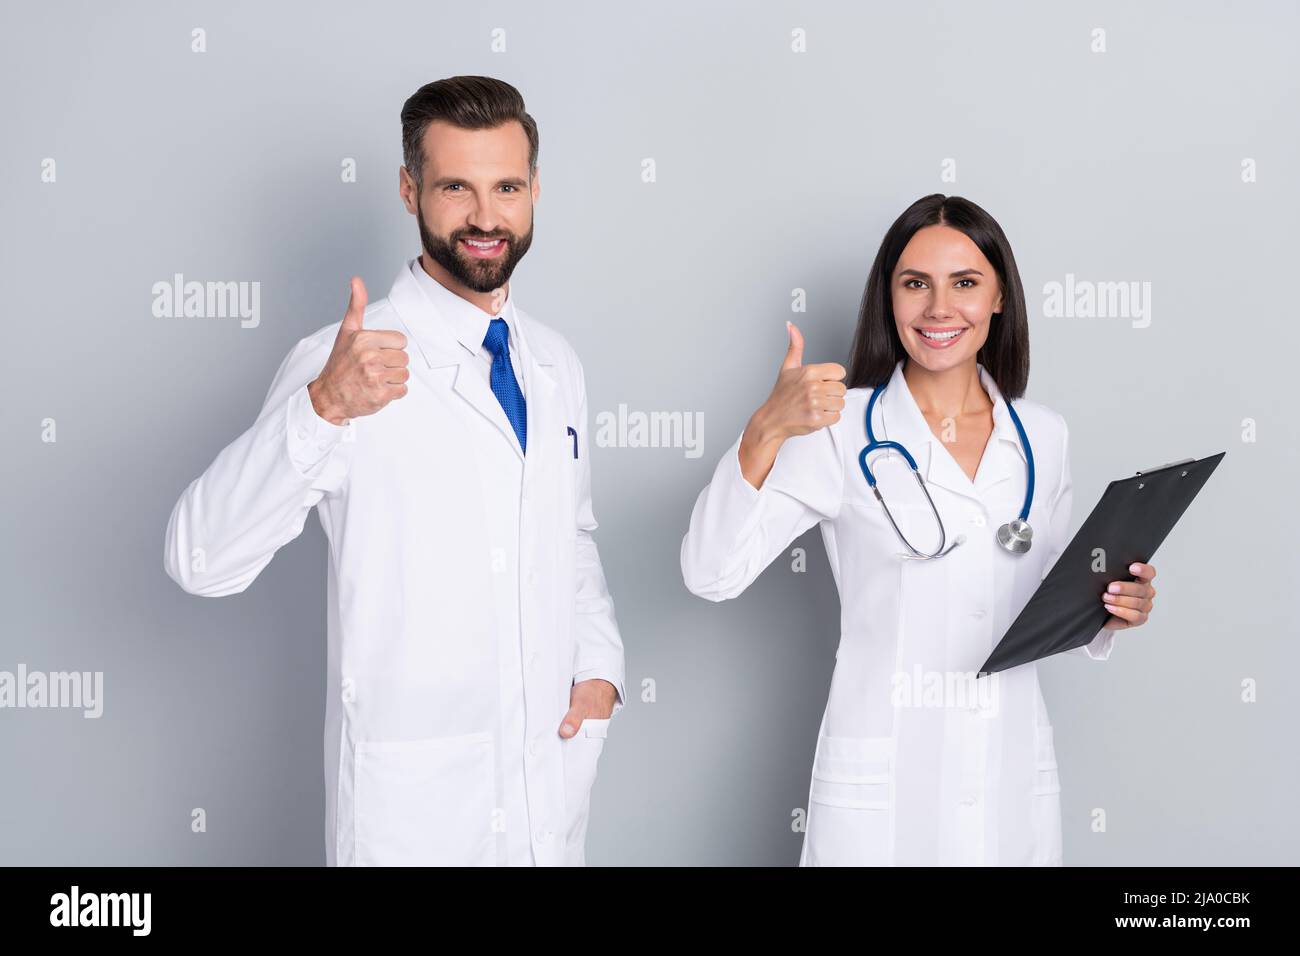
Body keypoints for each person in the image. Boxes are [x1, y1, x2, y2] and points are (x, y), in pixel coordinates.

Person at [164, 76, 626, 866]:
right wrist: (323, 409)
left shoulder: (555, 362)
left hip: (546, 798)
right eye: (456, 188)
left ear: (535, 189)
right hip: (413, 816)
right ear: (410, 188)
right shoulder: (343, 363)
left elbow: (571, 533)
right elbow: (199, 561)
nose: (486, 217)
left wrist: (599, 667)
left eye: (507, 187)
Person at [680, 194, 1156, 866]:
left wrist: (1114, 609)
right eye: (915, 284)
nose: (938, 308)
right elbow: (710, 573)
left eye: (964, 283)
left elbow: (1053, 597)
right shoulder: (838, 428)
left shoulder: (1043, 436)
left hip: (1007, 780)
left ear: (998, 300)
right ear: (889, 300)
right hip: (884, 788)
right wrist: (766, 430)